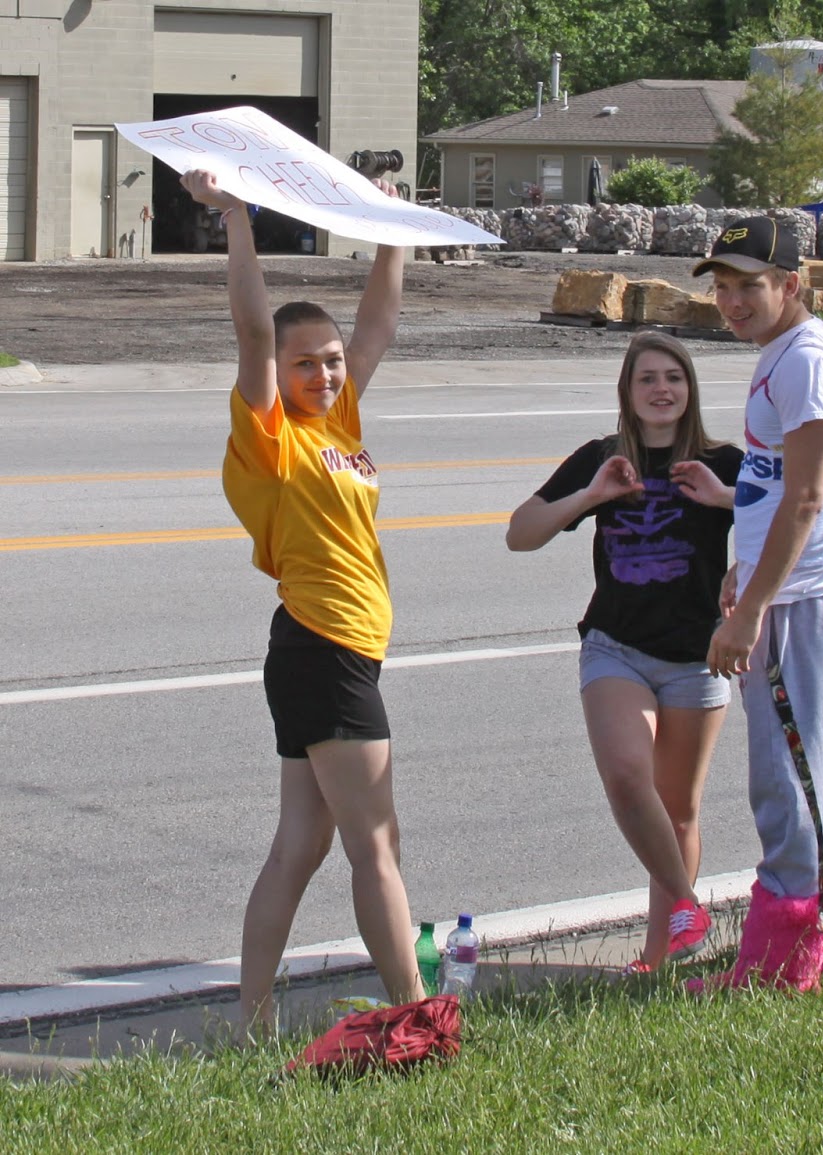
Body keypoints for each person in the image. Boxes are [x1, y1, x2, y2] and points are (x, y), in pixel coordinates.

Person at [179, 168, 424, 1035]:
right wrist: (237, 217)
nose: (324, 371)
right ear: (273, 374)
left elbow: (380, 324)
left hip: (331, 650)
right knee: (375, 846)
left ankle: (251, 1021)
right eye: (305, 362)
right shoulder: (268, 436)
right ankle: (414, 1015)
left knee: (302, 844)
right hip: (324, 648)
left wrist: (391, 227)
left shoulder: (338, 423)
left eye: (328, 361)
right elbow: (251, 326)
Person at [689, 216, 823, 991]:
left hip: (802, 604)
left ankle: (783, 958)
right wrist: (742, 566)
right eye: (721, 285)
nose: (732, 300)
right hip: (808, 590)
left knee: (791, 782)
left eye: (749, 284)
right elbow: (774, 483)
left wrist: (751, 609)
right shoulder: (787, 354)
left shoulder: (805, 360)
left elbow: (808, 497)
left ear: (791, 284)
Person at [505, 332, 741, 974]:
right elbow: (519, 535)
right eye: (647, 379)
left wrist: (725, 501)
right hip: (617, 648)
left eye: (674, 377)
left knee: (679, 809)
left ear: (690, 390)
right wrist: (592, 497)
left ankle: (659, 959)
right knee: (628, 779)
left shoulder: (726, 461)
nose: (662, 389)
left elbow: (795, 524)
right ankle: (692, 905)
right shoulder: (603, 458)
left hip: (698, 657)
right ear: (628, 393)